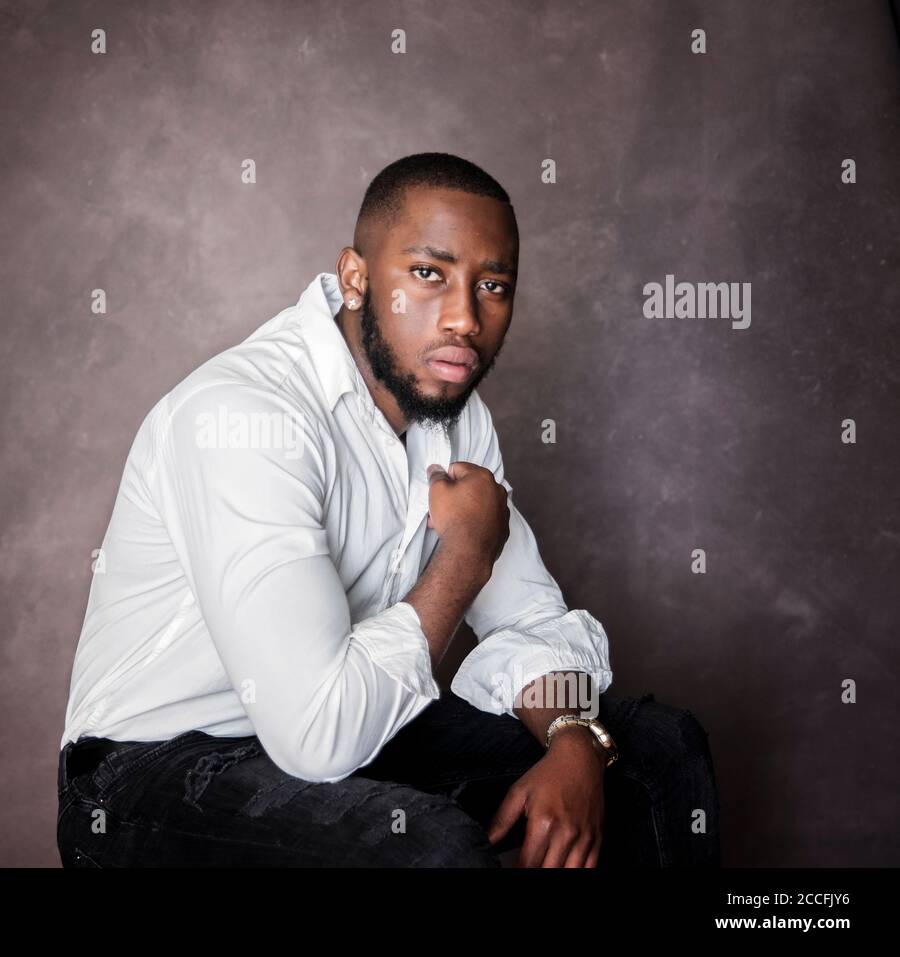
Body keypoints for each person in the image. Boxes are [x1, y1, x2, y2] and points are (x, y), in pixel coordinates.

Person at [57, 152, 720, 867]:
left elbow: (528, 618)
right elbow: (318, 734)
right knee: (427, 848)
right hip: (145, 772)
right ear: (355, 277)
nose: (465, 318)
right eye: (429, 275)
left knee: (653, 756)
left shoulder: (456, 420)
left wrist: (572, 737)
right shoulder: (246, 416)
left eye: (492, 285)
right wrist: (465, 555)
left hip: (352, 728)